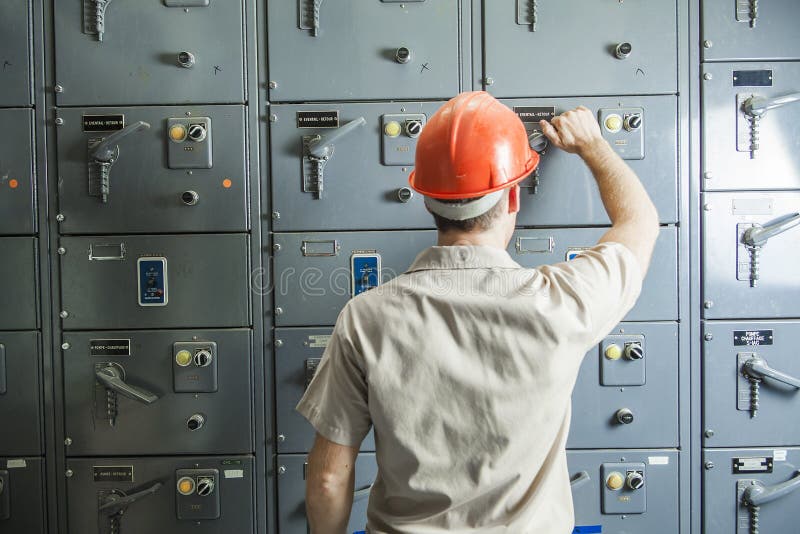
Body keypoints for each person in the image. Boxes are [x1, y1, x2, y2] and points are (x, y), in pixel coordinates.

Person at [296, 91, 659, 533]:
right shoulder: (562, 302)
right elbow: (639, 223)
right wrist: (593, 146)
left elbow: (328, 479)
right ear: (513, 198)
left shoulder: (365, 317)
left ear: (426, 200)